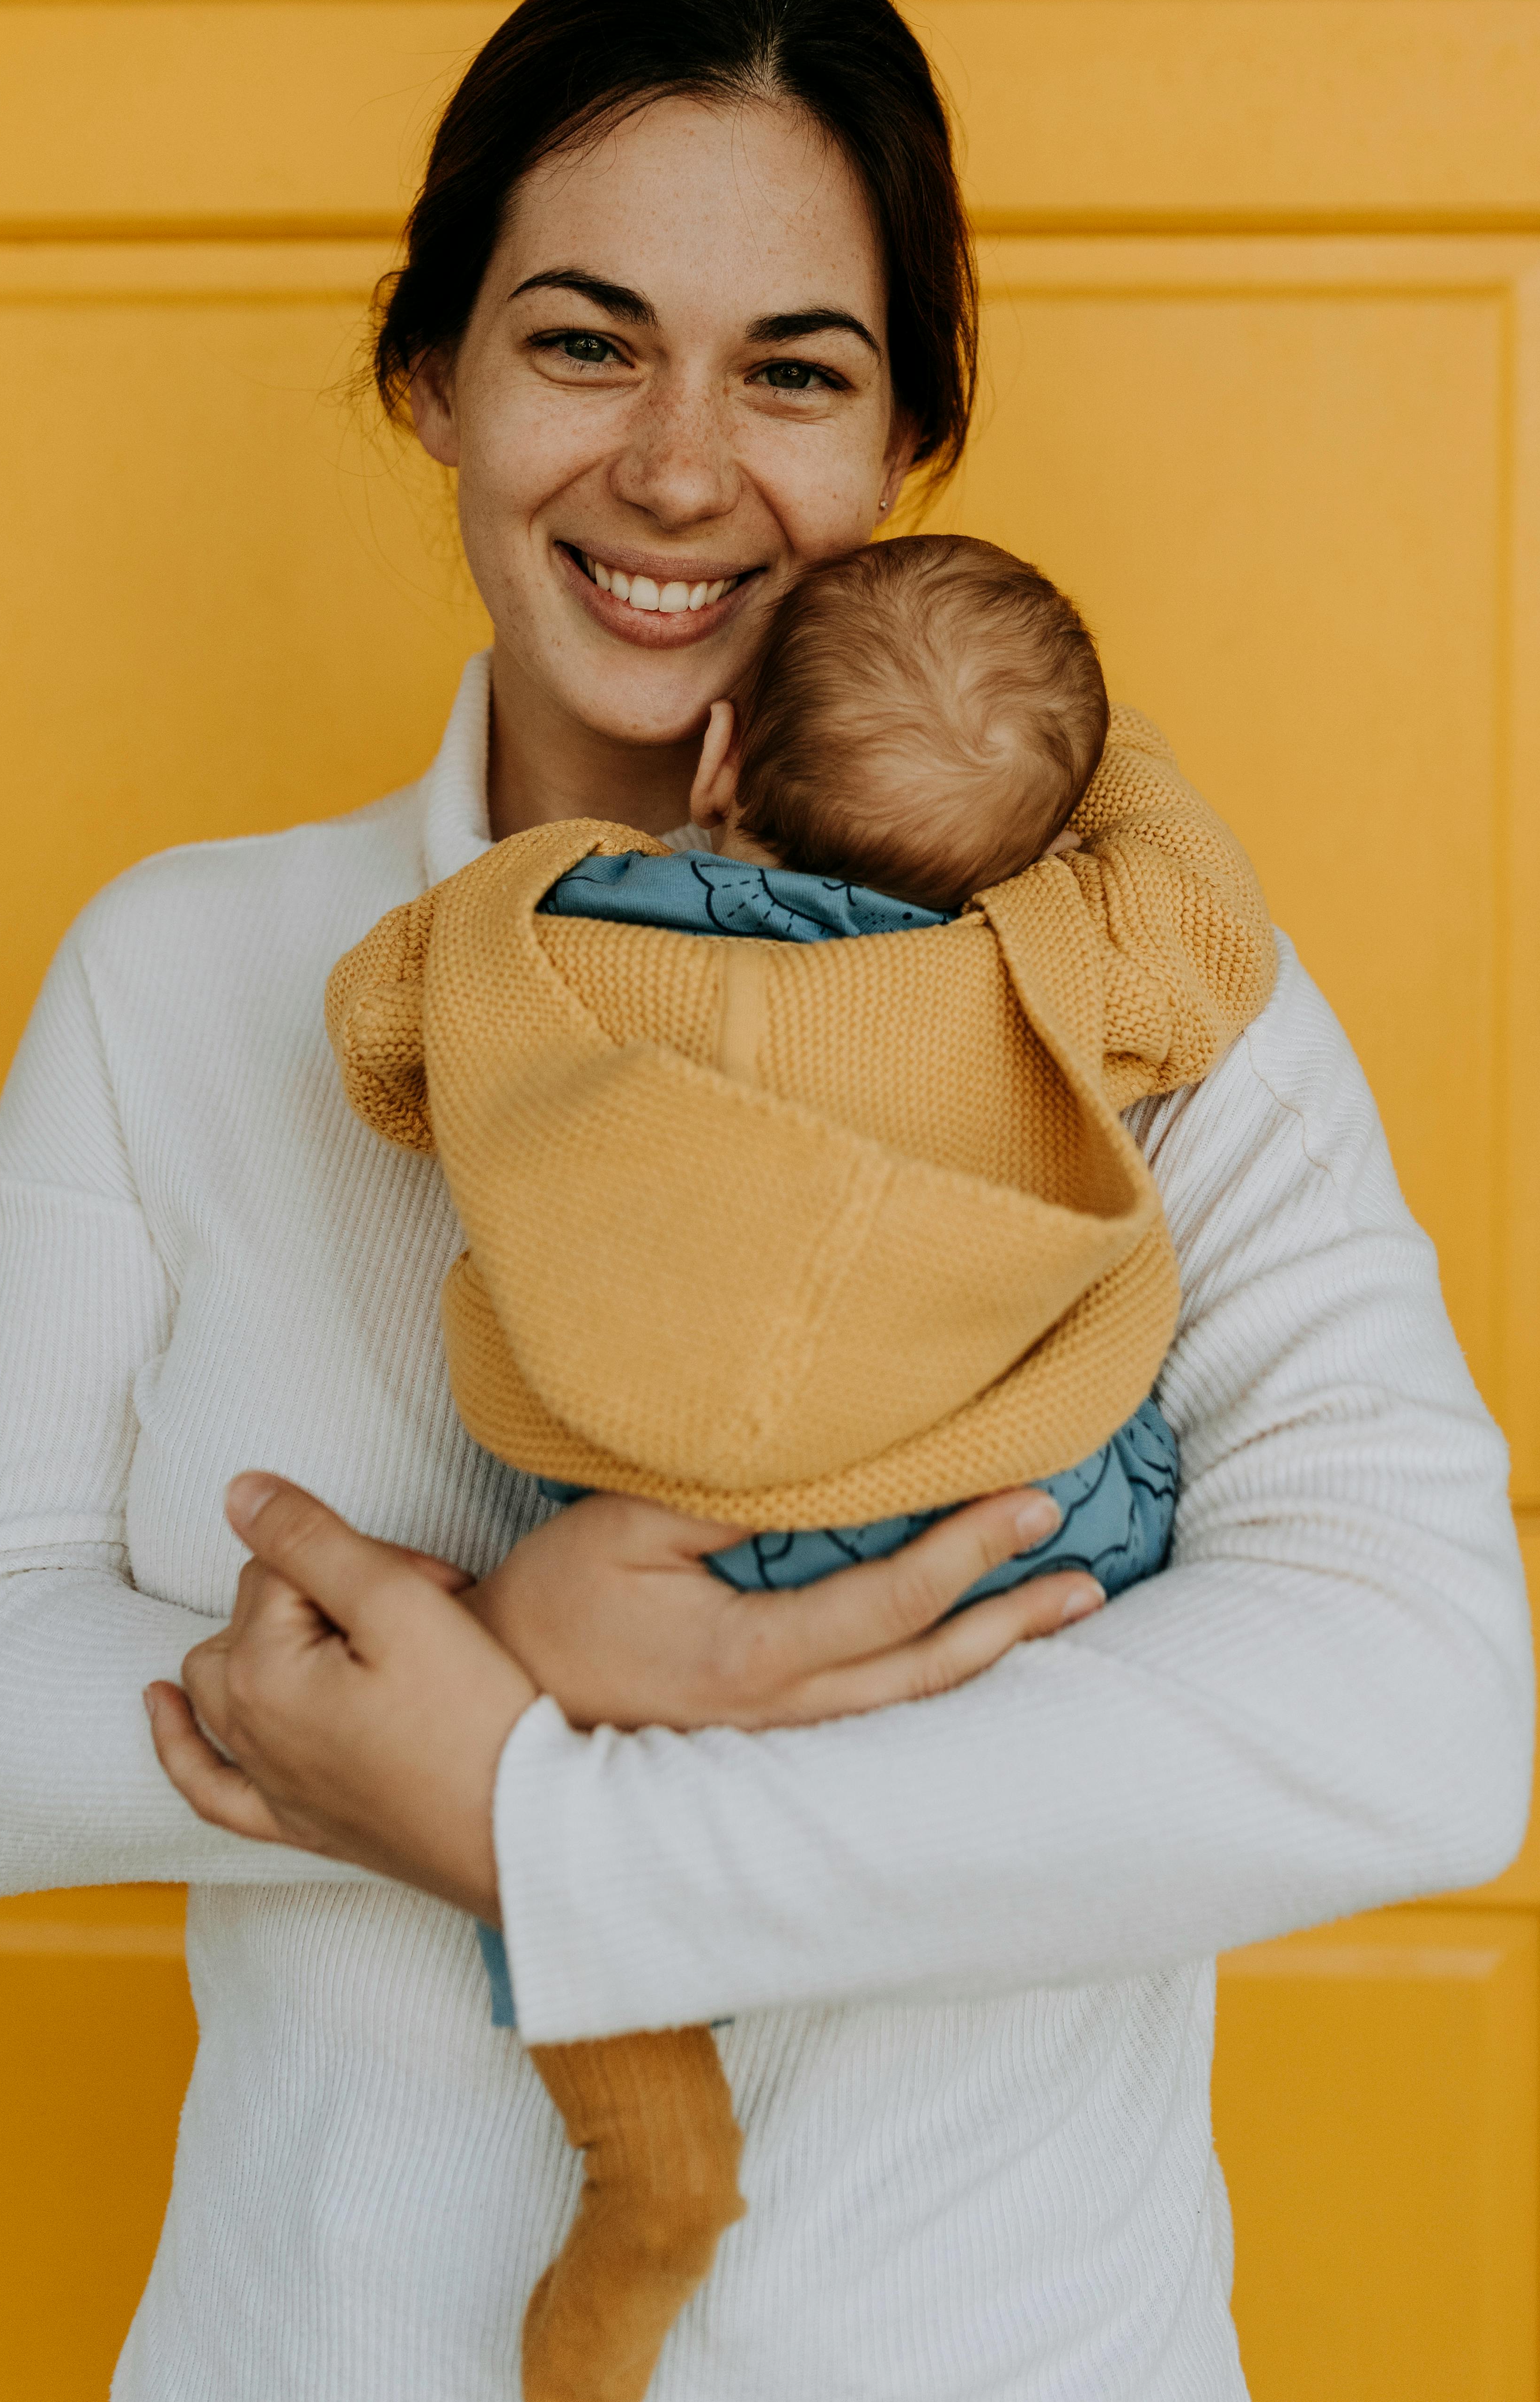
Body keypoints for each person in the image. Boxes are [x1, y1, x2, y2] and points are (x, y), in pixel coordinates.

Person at [0, 0, 1533, 2402]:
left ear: (906, 451)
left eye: (796, 371)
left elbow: (1413, 1709)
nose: (674, 465)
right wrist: (515, 1655)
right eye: (582, 340)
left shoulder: (1140, 991)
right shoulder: (194, 971)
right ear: (429, 374)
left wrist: (549, 1807)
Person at [327, 526, 1275, 2402]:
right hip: (1017, 1523)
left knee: (545, 1782)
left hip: (673, 1559)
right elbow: (1211, 942)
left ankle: (650, 2165)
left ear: (715, 763)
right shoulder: (1047, 965)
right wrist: (1108, 766)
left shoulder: (547, 927)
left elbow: (375, 1048)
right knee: (1103, 1521)